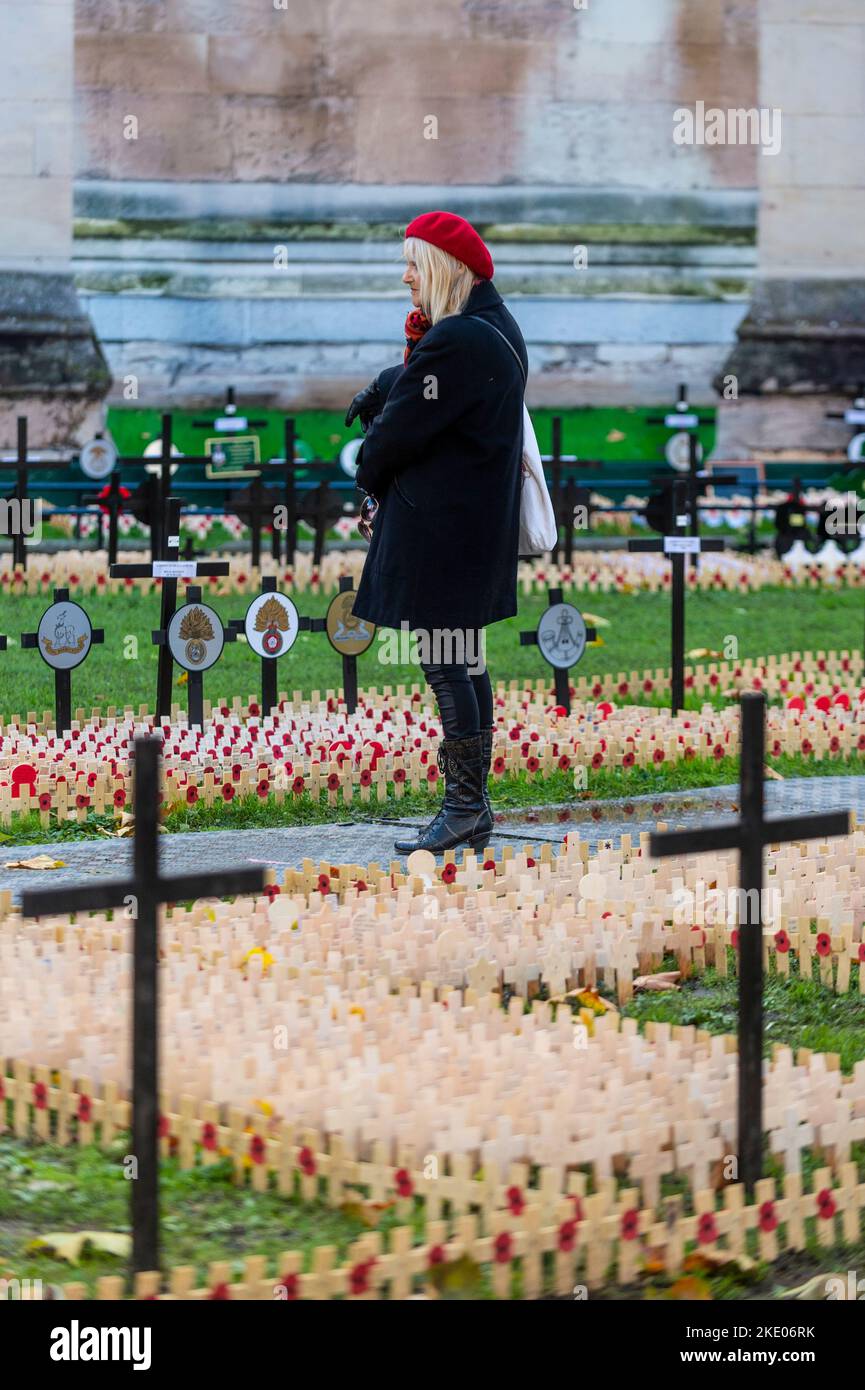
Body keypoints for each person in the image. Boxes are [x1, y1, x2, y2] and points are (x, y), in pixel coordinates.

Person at [346, 210, 528, 853]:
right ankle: (470, 807)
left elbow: (396, 437)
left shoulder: (457, 340)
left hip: (443, 534)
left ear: (442, 269)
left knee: (448, 667)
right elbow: (444, 394)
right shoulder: (495, 328)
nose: (406, 279)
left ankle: (463, 809)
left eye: (413, 266)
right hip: (472, 532)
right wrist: (391, 381)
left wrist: (366, 466)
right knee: (465, 662)